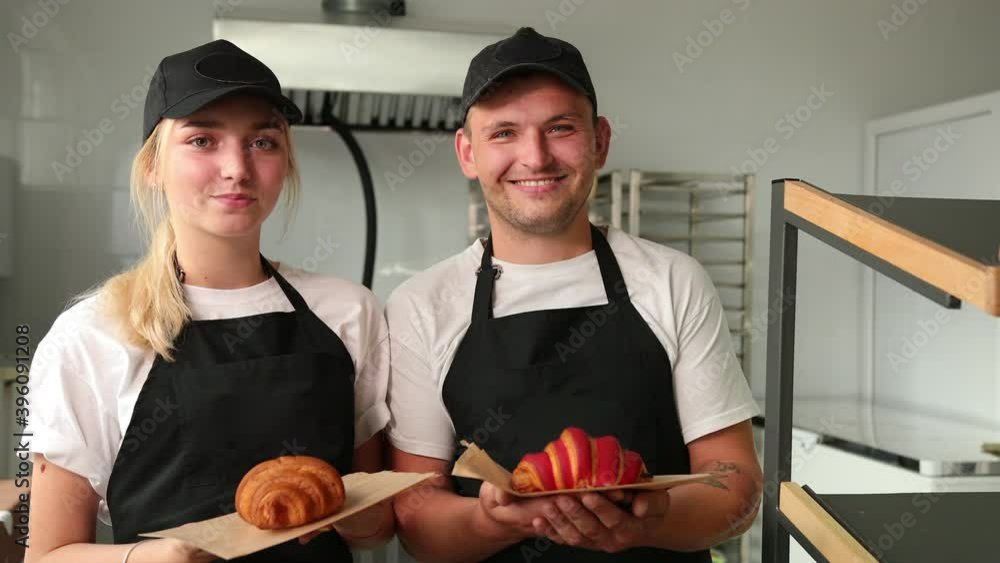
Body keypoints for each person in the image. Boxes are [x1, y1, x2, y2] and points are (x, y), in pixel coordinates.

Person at [386, 27, 763, 562]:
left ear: (600, 141)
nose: (535, 157)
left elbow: (736, 481)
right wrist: (491, 522)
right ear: (467, 153)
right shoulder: (422, 304)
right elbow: (417, 515)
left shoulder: (673, 280)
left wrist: (649, 522)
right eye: (504, 133)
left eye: (560, 128)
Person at [24, 40, 393, 563]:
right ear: (152, 165)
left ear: (285, 161)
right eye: (202, 140)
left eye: (263, 142)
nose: (236, 168)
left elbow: (373, 529)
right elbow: (47, 556)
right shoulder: (90, 337)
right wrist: (156, 557)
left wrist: (344, 510)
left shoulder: (349, 311)